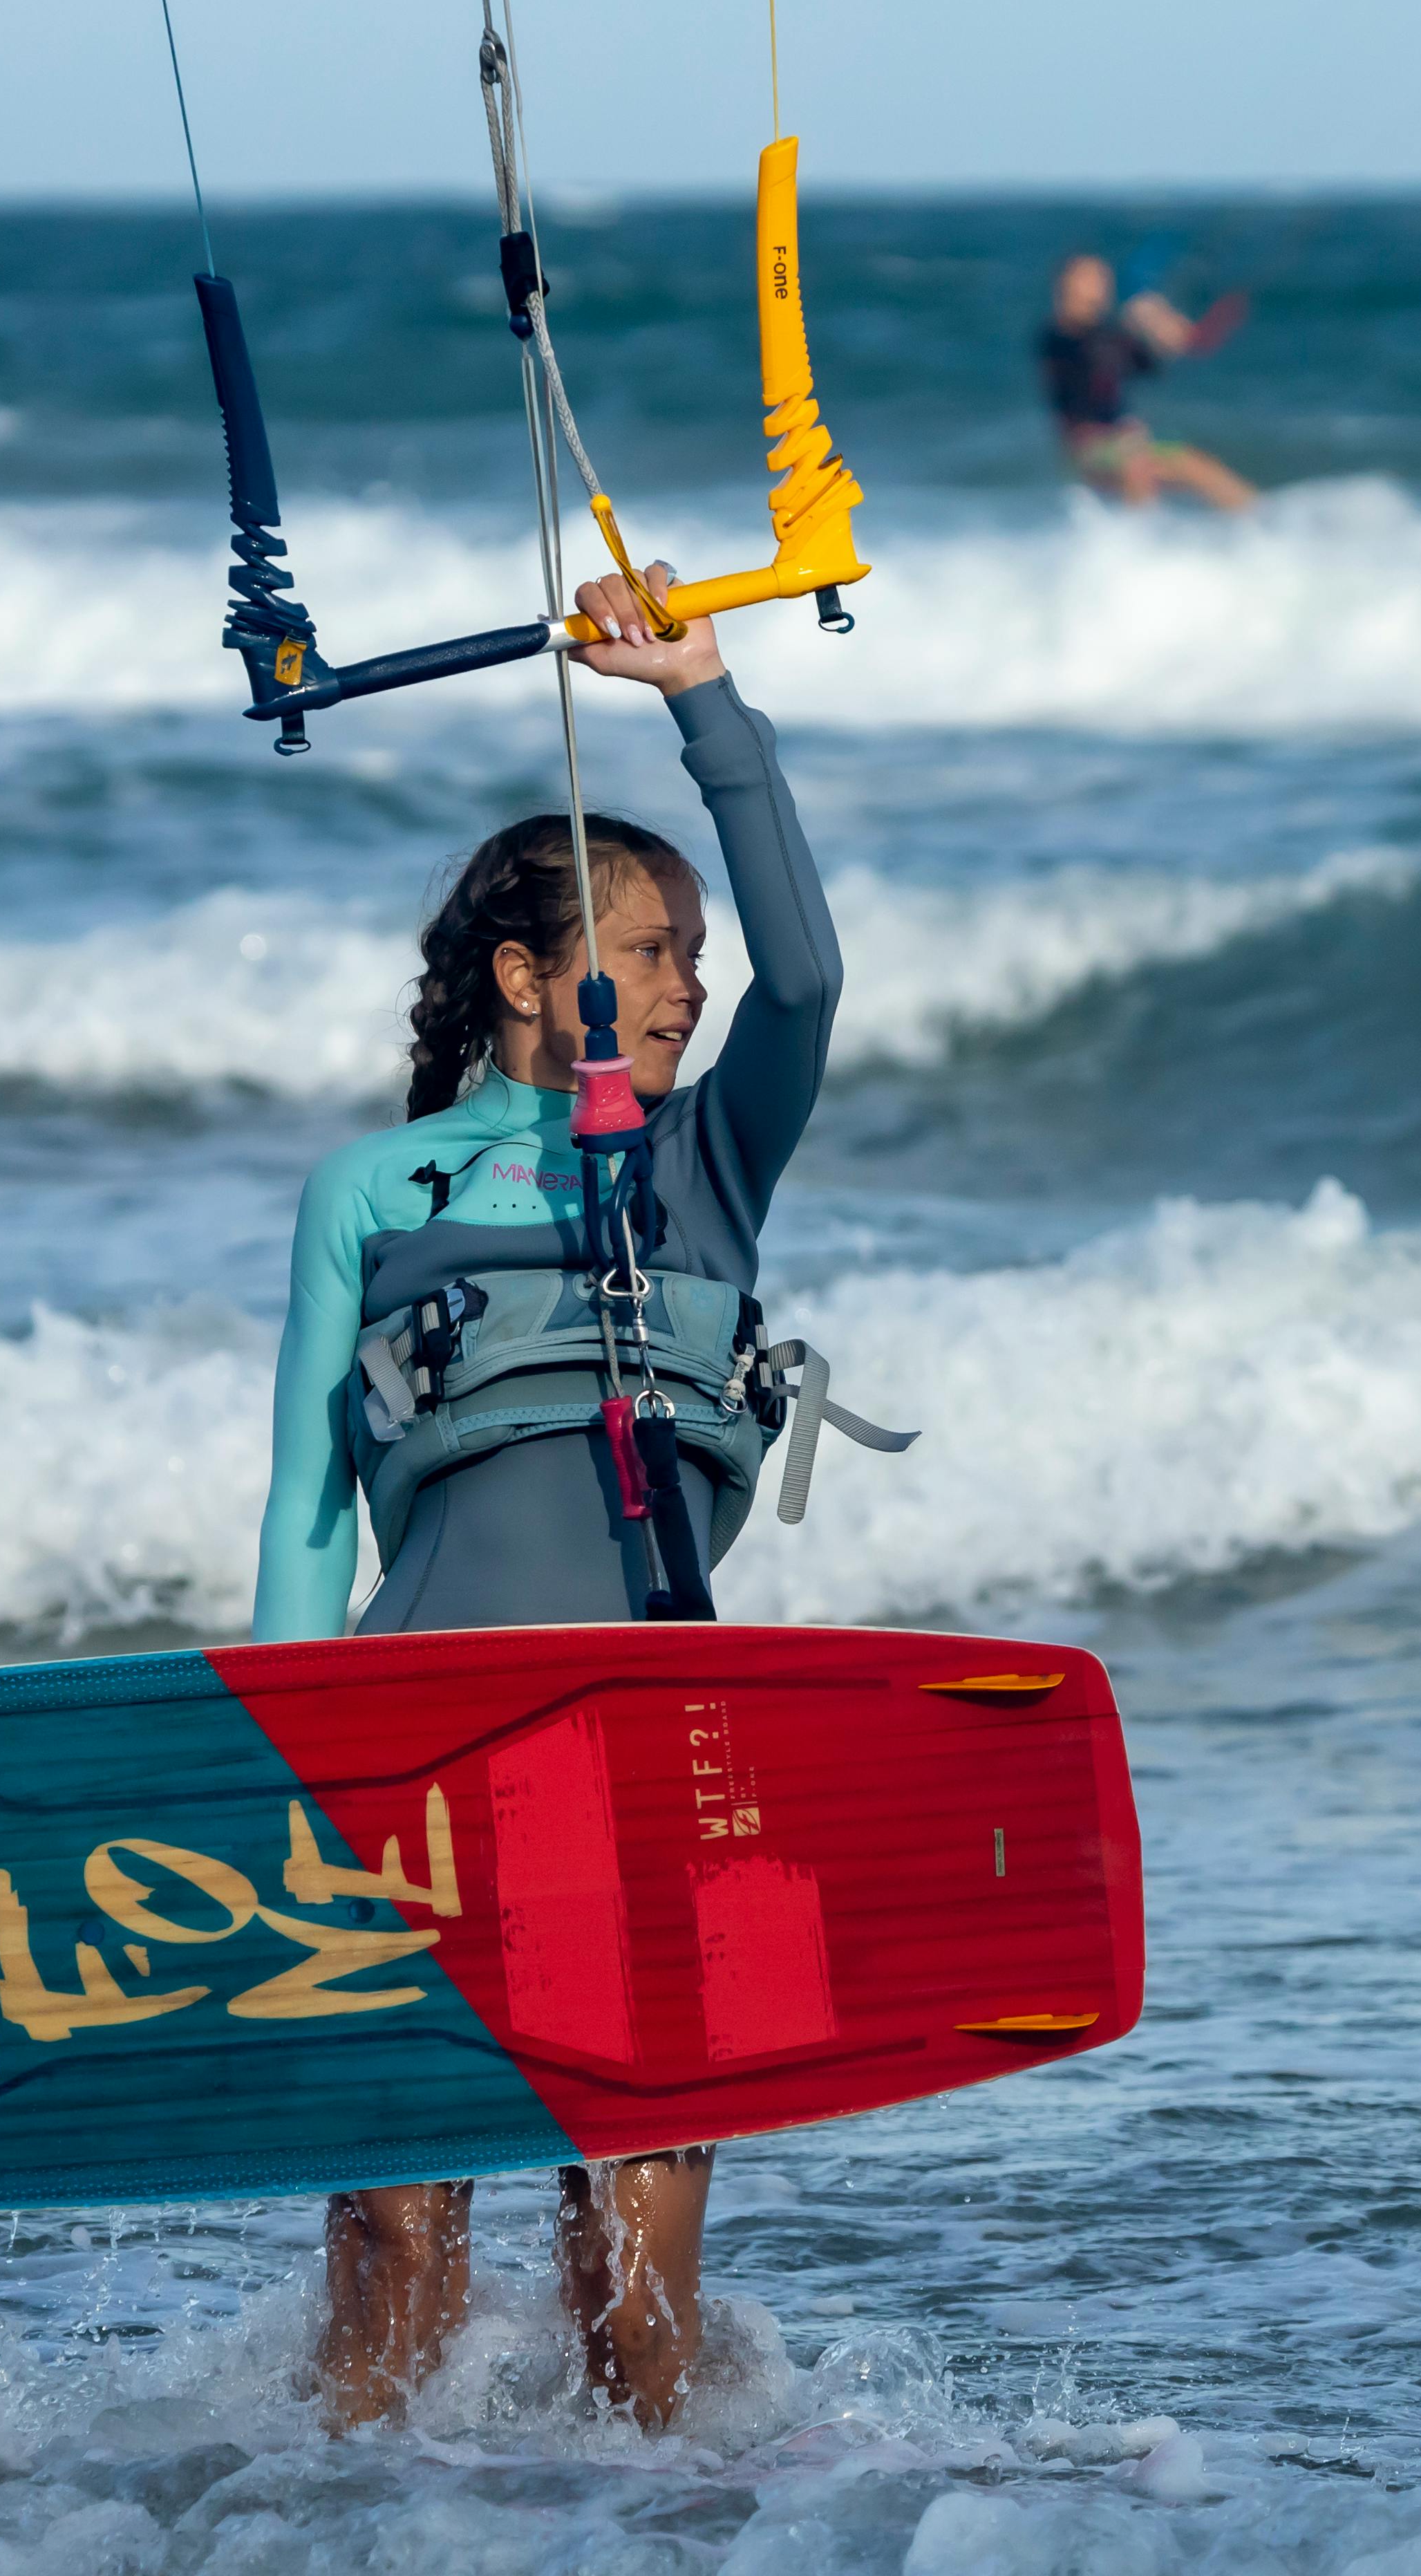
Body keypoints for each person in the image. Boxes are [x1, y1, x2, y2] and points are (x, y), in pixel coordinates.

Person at [252, 559, 840, 2434]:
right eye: (652, 949)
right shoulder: (372, 1191)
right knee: (397, 2265)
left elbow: (812, 970)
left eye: (687, 951)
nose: (694, 984)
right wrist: (282, 1774)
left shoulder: (705, 1163)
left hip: (660, 1747)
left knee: (633, 2273)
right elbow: (304, 1509)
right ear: (529, 977)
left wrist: (706, 701)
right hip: (413, 1743)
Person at [1037, 250, 1255, 510]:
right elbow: (1085, 350)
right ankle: (1139, 543)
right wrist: (1141, 320)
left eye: (1104, 279)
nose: (1101, 287)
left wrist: (1165, 334)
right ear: (1066, 282)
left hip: (1126, 444)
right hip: (1089, 451)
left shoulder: (1110, 335)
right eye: (1091, 278)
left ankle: (1264, 525)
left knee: (1198, 465)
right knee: (1137, 465)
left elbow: (1149, 366)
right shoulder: (1057, 335)